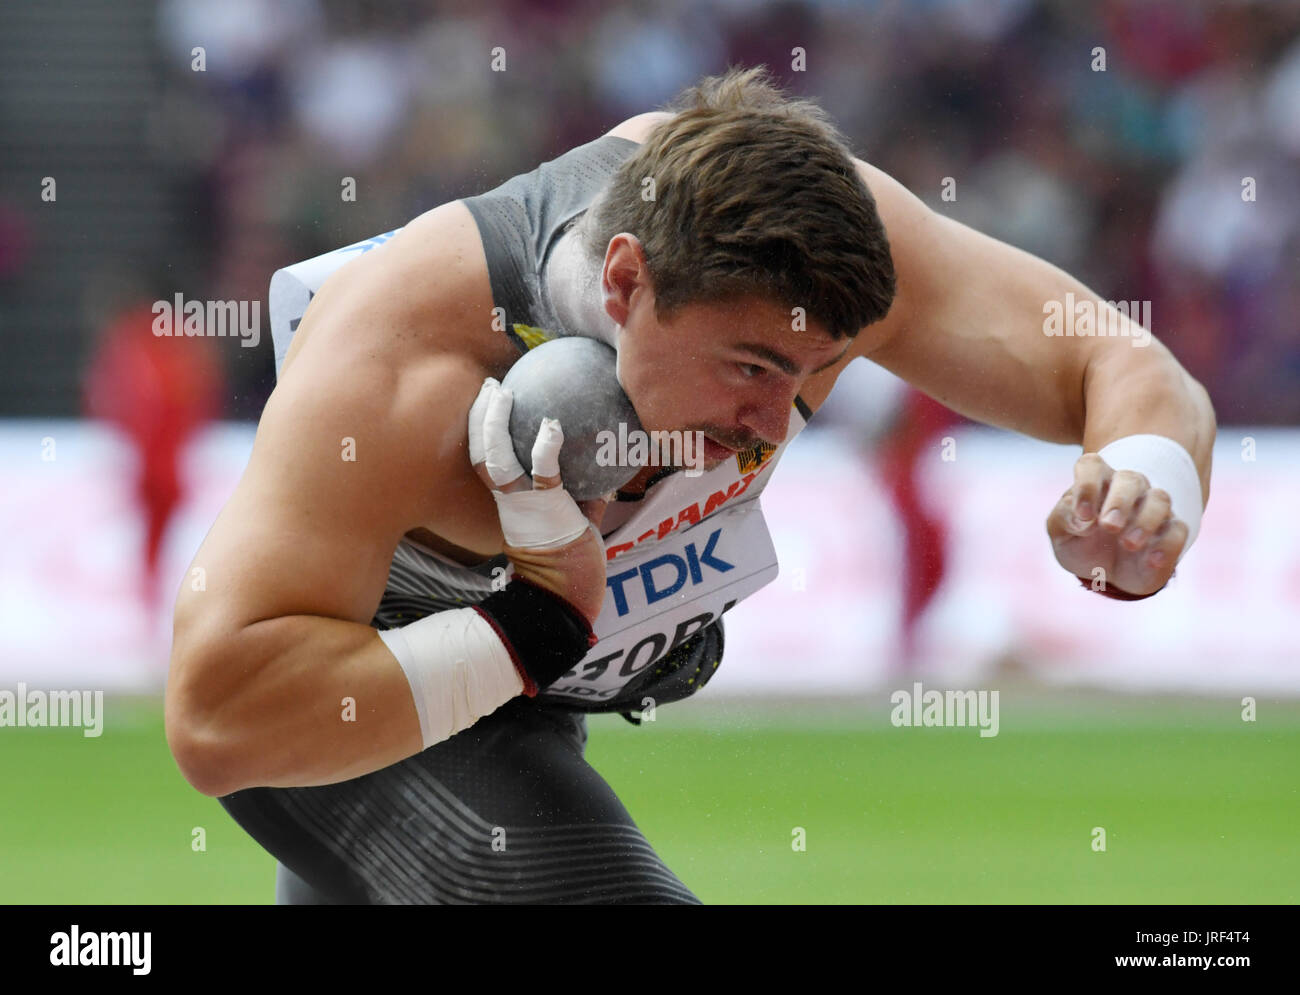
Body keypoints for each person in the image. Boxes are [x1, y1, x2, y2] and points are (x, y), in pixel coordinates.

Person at [164, 67, 1215, 904]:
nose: (773, 424)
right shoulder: (408, 349)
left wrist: (1139, 478)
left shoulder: (839, 247)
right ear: (624, 282)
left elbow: (1116, 362)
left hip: (532, 685)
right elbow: (219, 715)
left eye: (814, 374)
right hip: (369, 693)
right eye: (751, 367)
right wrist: (534, 623)